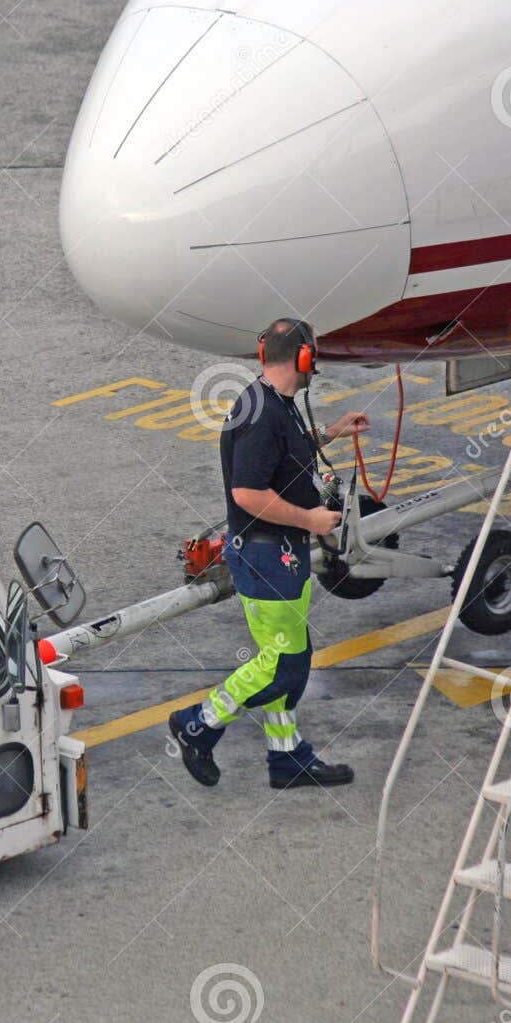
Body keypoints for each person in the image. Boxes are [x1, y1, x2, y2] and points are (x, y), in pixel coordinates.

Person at [168, 318, 368, 790]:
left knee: (286, 657)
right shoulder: (261, 414)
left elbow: (290, 450)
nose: (316, 363)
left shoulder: (278, 402)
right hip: (266, 559)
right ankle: (197, 725)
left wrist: (334, 431)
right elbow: (247, 494)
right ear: (302, 358)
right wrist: (312, 520)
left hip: (282, 556)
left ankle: (285, 757)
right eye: (314, 354)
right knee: (282, 667)